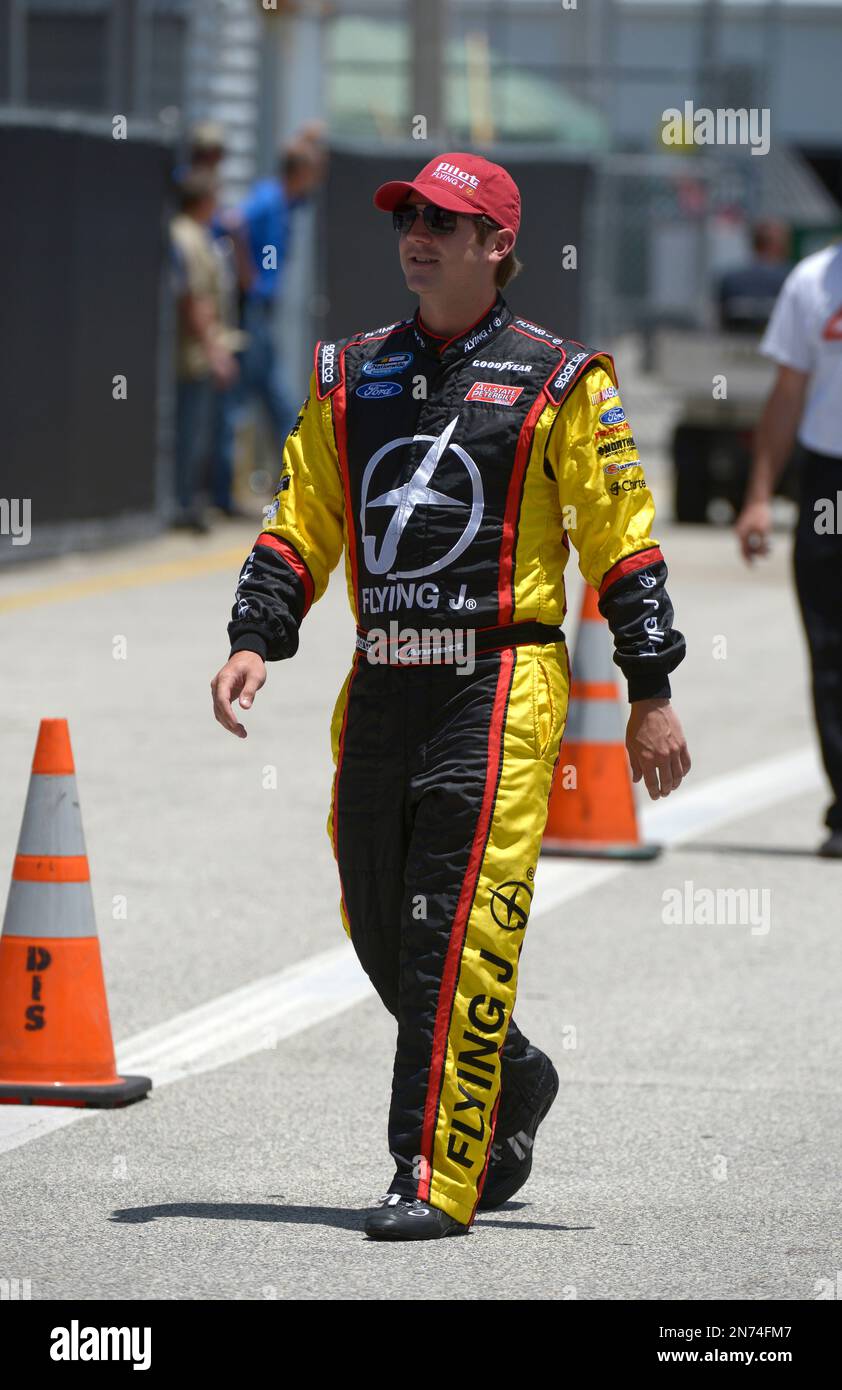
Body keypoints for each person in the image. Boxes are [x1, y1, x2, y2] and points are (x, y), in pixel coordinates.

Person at [211, 152, 691, 1240]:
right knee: (381, 923)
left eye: (444, 219)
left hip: (502, 678)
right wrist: (254, 635)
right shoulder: (350, 373)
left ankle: (431, 1171)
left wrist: (649, 691)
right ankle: (509, 1074)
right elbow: (303, 520)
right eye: (407, 216)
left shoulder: (562, 381)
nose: (416, 232)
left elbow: (623, 545)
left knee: (456, 931)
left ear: (496, 247)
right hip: (380, 680)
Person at [735, 238, 842, 857]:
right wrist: (757, 496)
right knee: (830, 650)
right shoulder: (812, 282)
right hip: (828, 480)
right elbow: (786, 395)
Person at [170, 170, 242, 532]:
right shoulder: (190, 238)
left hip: (194, 352)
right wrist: (215, 351)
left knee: (194, 431)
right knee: (191, 433)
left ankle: (185, 502)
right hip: (194, 355)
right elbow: (194, 300)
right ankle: (183, 505)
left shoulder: (191, 235)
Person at [717, 220, 791, 334]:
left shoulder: (730, 279)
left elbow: (720, 321)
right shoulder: (791, 279)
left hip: (734, 346)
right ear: (779, 246)